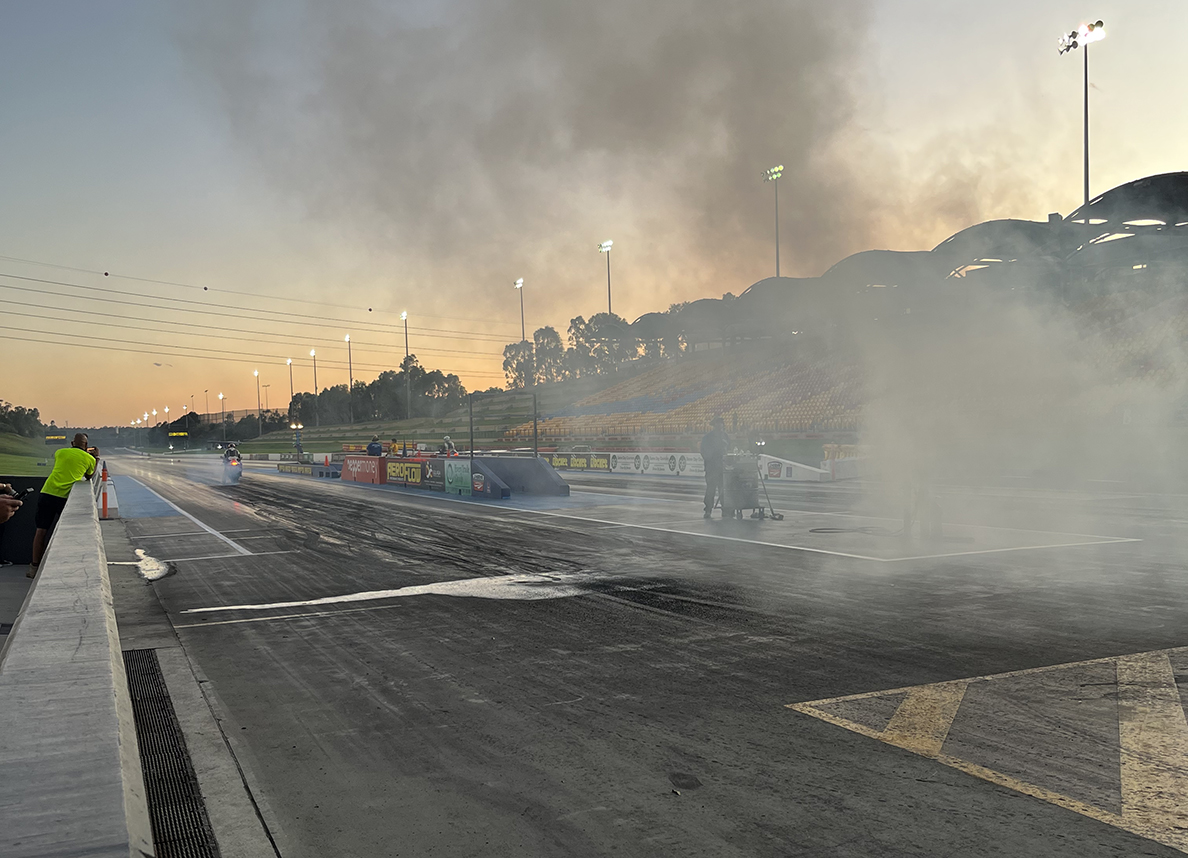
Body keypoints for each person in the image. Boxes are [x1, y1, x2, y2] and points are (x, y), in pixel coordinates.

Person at [30, 433, 95, 578]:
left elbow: (68, 460)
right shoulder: (89, 458)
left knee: (40, 531)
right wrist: (95, 457)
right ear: (86, 445)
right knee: (63, 534)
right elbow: (89, 475)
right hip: (64, 497)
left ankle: (34, 567)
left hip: (47, 493)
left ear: (72, 443)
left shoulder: (60, 452)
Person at [700, 416, 729, 519]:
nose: (720, 425)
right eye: (718, 423)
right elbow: (703, 451)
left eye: (721, 423)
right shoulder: (708, 437)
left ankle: (725, 510)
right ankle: (708, 510)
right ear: (714, 425)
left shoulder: (725, 436)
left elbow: (728, 450)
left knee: (723, 490)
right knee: (710, 490)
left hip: (722, 468)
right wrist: (709, 458)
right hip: (711, 468)